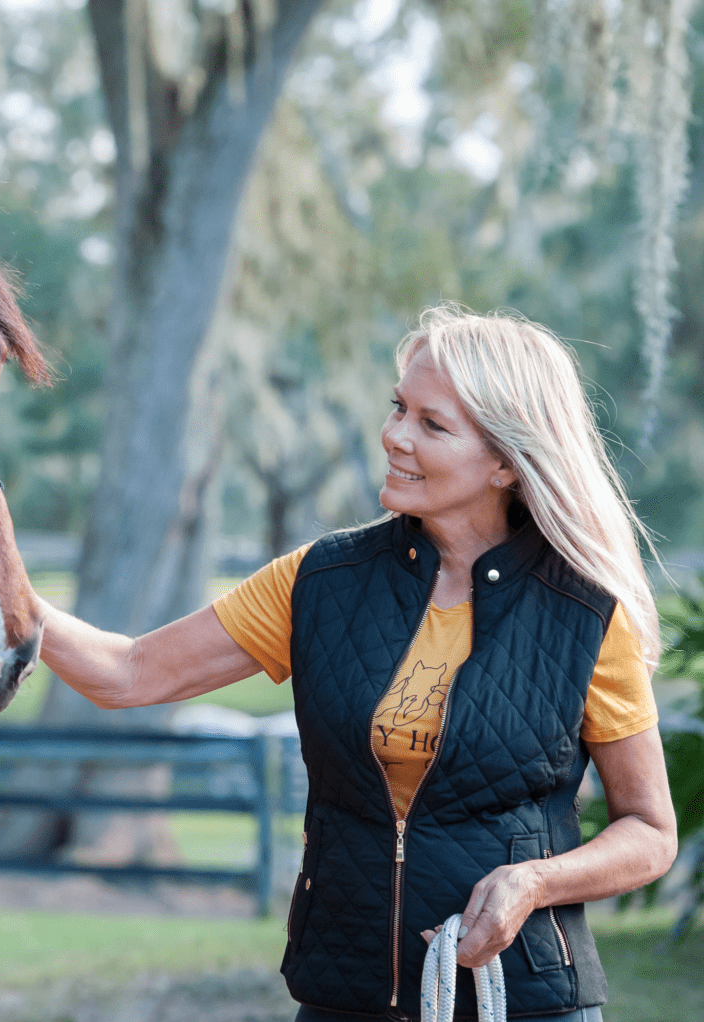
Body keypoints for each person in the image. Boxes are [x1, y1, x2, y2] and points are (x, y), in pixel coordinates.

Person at [35, 306, 677, 1021]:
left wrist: (534, 882)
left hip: (522, 1001)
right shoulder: (318, 582)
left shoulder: (586, 615)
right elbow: (129, 673)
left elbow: (649, 835)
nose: (395, 437)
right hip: (345, 992)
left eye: (432, 425)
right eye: (399, 407)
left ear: (504, 460)